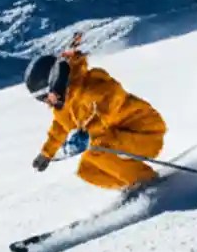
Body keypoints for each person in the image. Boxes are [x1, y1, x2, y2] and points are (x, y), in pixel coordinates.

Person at [24, 35, 167, 190]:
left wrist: (87, 135)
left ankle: (145, 180)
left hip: (144, 132)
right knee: (87, 170)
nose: (46, 102)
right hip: (117, 139)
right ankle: (130, 184)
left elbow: (111, 106)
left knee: (97, 150)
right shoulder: (66, 102)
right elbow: (60, 126)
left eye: (45, 96)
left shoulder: (92, 86)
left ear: (55, 82)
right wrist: (47, 153)